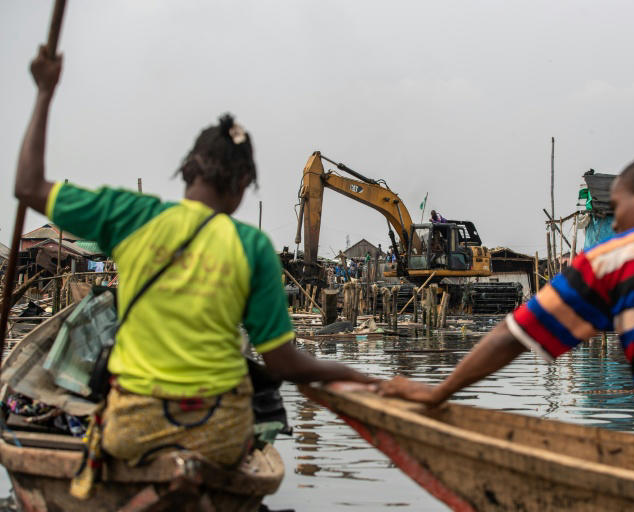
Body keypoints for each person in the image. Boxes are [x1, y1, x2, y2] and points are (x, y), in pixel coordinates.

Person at [15, 47, 375, 468]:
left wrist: (43, 92)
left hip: (135, 429)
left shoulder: (130, 214)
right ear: (243, 183)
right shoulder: (252, 245)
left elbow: (28, 186)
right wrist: (358, 376)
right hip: (218, 432)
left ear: (187, 168)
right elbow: (283, 362)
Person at [383, 153, 634, 488]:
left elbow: (514, 334)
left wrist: (438, 392)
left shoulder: (612, 261)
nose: (615, 224)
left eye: (617, 210)